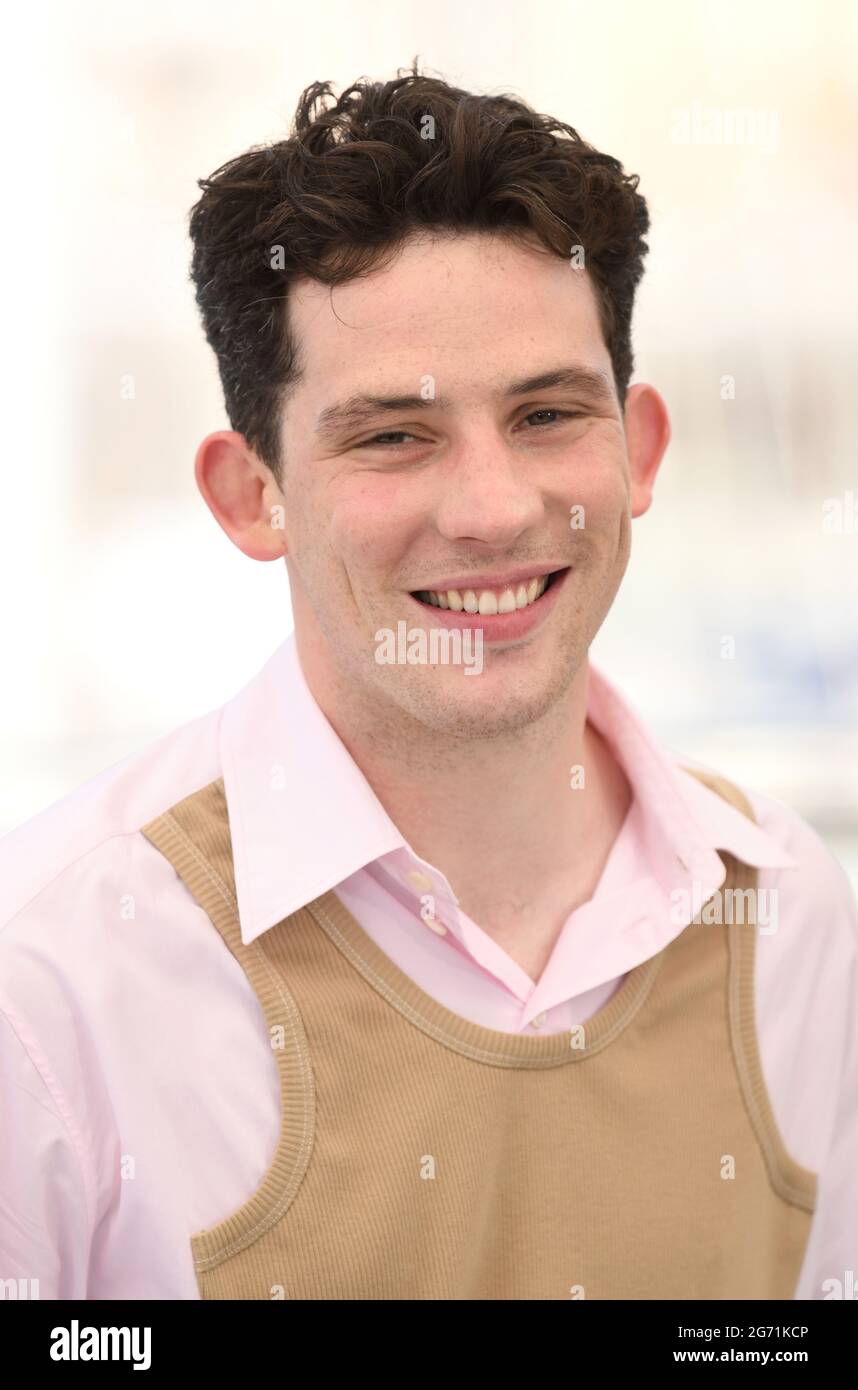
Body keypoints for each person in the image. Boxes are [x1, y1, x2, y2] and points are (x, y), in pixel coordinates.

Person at [1, 64, 855, 1302]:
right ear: (252, 496)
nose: (495, 509)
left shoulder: (790, 921)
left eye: (550, 414)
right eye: (393, 434)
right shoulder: (47, 978)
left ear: (640, 449)